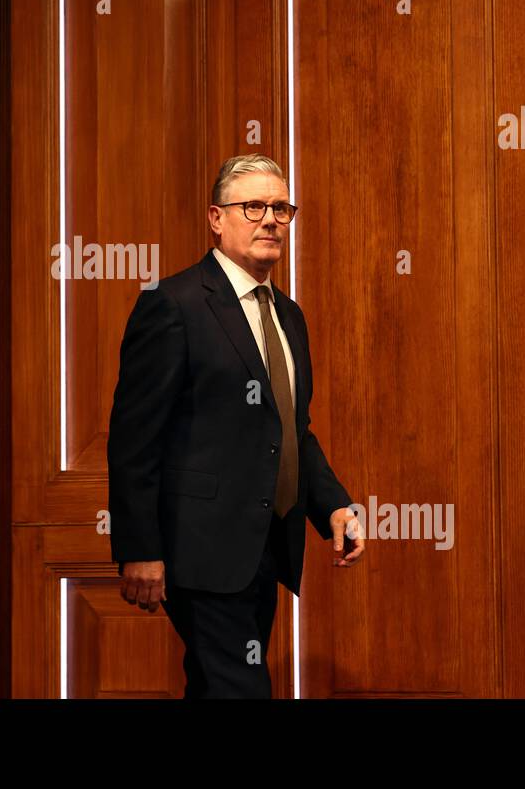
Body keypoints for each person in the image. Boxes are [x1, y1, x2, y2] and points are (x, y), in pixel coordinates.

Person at [107, 153, 365, 698]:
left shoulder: (288, 315)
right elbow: (135, 439)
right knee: (240, 691)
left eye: (280, 208)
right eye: (253, 207)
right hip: (197, 550)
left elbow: (293, 430)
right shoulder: (172, 304)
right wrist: (139, 548)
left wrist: (335, 506)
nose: (270, 219)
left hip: (266, 546)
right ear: (216, 218)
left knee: (214, 687)